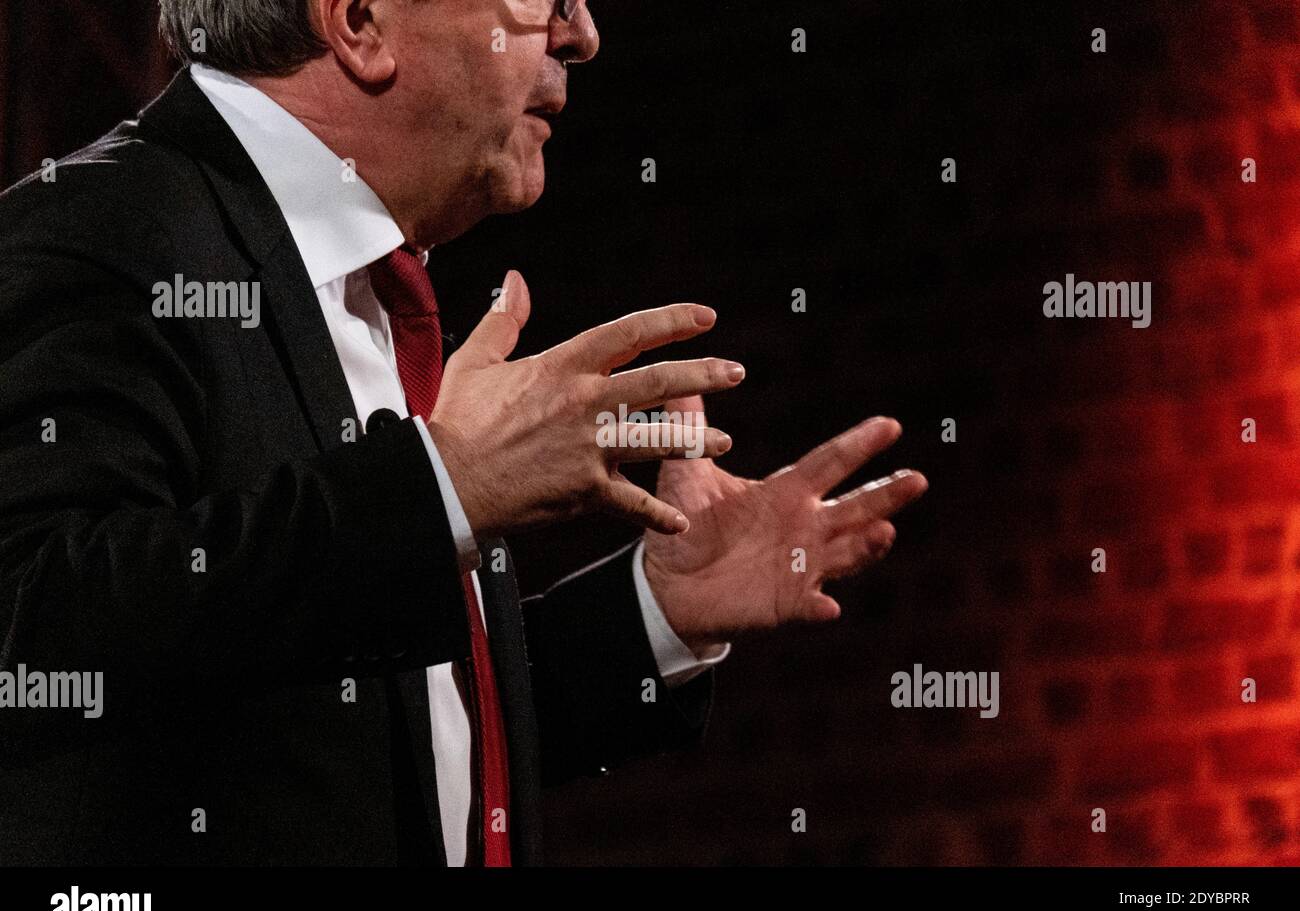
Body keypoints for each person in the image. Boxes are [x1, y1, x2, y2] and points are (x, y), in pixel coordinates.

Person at [0, 0, 927, 865]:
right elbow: (33, 631)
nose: (582, 33)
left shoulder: (366, 283)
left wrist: (652, 614)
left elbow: (361, 739)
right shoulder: (99, 229)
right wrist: (440, 489)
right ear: (362, 21)